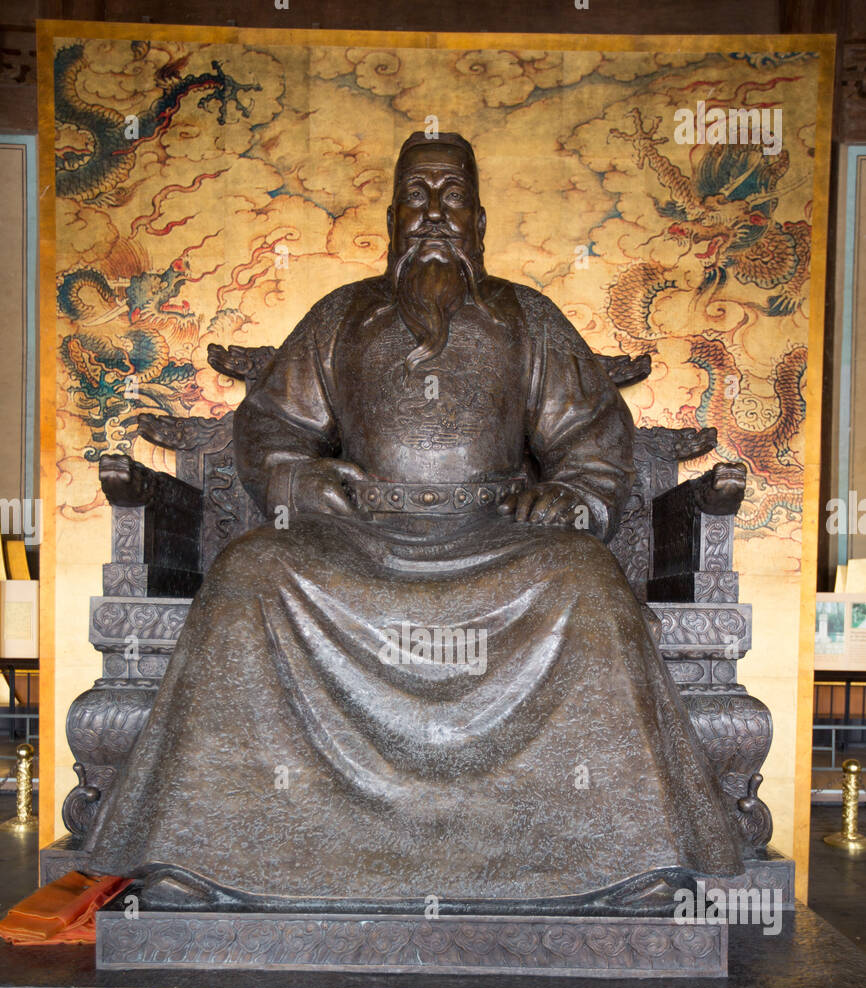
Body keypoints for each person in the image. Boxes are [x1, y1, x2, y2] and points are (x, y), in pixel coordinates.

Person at [82, 131, 743, 909]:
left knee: (588, 582)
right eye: (419, 198)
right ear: (394, 217)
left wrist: (571, 498)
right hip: (359, 539)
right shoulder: (341, 317)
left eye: (452, 195)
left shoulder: (527, 318)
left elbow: (592, 443)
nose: (435, 213)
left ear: (480, 219)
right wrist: (300, 480)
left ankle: (629, 863)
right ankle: (197, 857)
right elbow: (270, 428)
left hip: (496, 540)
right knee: (250, 572)